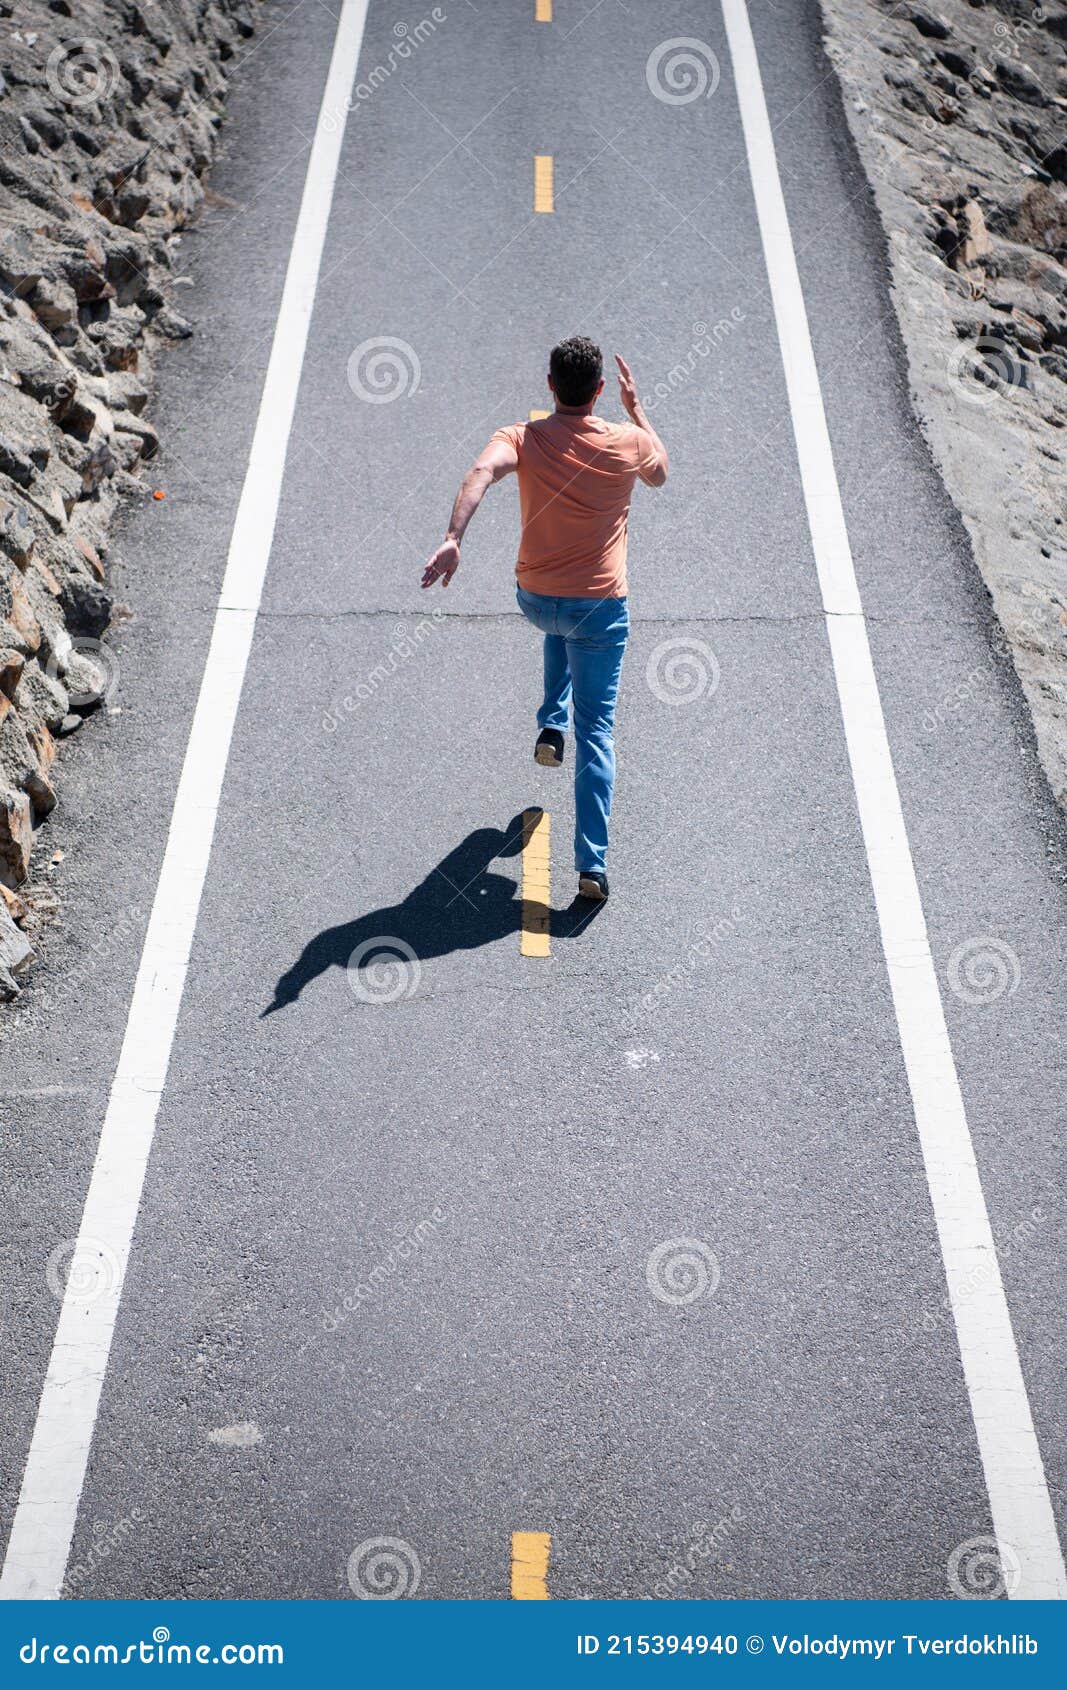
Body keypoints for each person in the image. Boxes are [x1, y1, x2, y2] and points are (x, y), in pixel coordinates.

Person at [421, 336, 668, 902]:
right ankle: (591, 866)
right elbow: (661, 474)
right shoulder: (628, 442)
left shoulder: (522, 438)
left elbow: (481, 470)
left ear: (550, 385)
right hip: (600, 608)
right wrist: (637, 410)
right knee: (598, 732)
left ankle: (551, 725)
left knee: (559, 624)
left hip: (535, 599)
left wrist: (454, 538)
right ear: (600, 389)